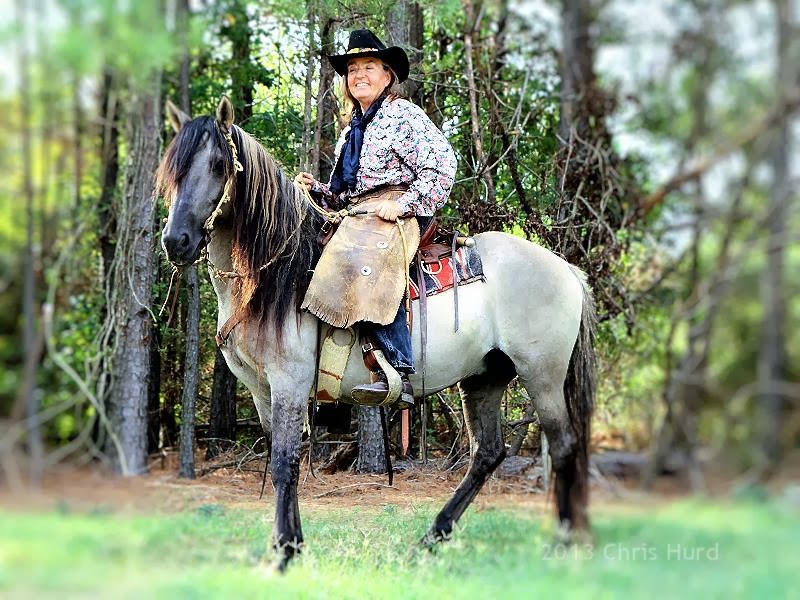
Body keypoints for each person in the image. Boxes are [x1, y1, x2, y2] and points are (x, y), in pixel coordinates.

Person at [298, 29, 457, 405]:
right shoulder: (351, 130)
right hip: (360, 214)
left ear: (387, 75)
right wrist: (316, 189)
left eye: (369, 66)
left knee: (365, 262)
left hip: (400, 210)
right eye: (352, 69)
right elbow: (345, 193)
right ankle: (330, 382)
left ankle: (397, 368)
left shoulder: (403, 115)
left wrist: (403, 204)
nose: (359, 75)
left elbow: (442, 165)